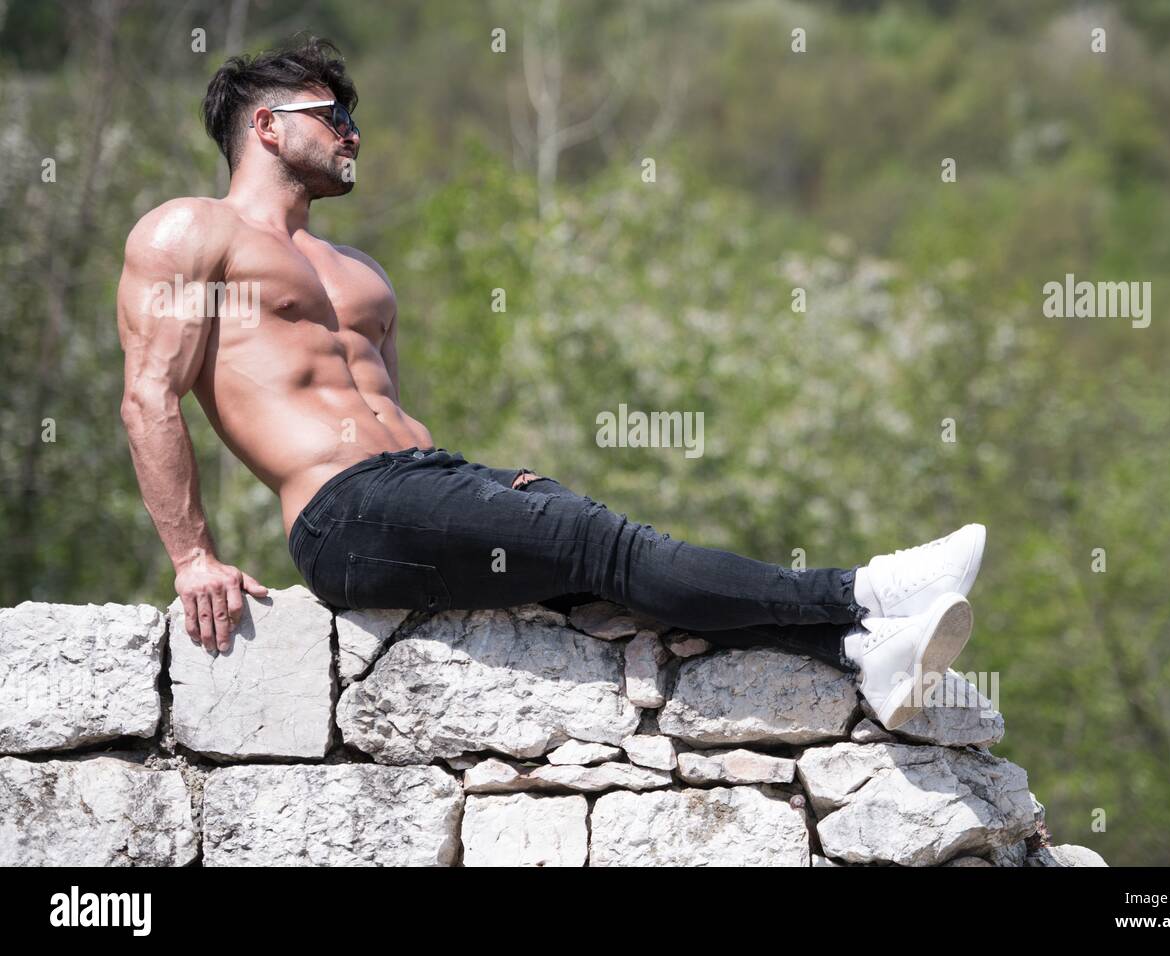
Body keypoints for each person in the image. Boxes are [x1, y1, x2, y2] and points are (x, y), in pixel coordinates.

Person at [115, 36, 984, 731]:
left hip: (423, 482)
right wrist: (192, 558)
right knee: (602, 542)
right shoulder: (194, 231)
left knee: (614, 581)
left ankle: (857, 654)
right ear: (265, 126)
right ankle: (862, 592)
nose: (352, 132)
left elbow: (385, 411)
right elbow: (149, 393)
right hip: (344, 514)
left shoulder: (359, 271)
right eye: (332, 112)